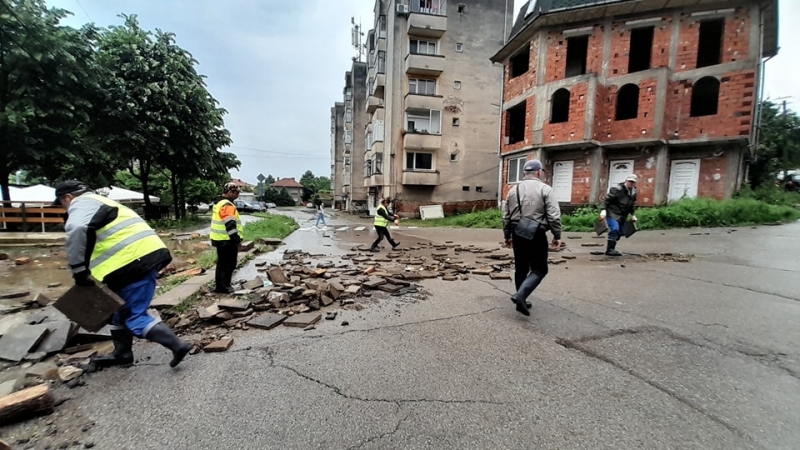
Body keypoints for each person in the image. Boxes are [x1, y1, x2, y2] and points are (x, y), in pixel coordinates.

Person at [54, 180, 192, 368]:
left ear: (68, 197)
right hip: (134, 261)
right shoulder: (100, 202)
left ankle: (177, 345)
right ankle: (122, 353)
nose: (64, 208)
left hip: (131, 264)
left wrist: (78, 270)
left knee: (134, 316)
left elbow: (78, 229)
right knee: (118, 312)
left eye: (62, 203)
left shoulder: (81, 203)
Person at [502, 160, 562, 316]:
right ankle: (521, 295)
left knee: (521, 267)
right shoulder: (545, 189)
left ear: (524, 173)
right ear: (539, 172)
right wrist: (557, 235)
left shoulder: (513, 190)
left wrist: (507, 235)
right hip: (536, 232)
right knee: (539, 269)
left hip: (517, 231)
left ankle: (521, 298)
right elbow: (554, 216)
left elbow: (506, 216)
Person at [210, 182, 244, 294]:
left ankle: (219, 285)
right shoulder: (227, 205)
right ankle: (225, 286)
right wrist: (236, 240)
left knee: (221, 263)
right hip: (227, 240)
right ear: (230, 192)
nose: (238, 195)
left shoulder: (219, 202)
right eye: (236, 193)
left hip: (219, 238)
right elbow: (230, 225)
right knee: (229, 263)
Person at [600, 174, 638, 257]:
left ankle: (612, 242)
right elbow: (606, 200)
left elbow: (631, 204)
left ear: (635, 183)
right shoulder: (617, 189)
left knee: (621, 232)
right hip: (612, 213)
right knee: (614, 229)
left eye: (633, 182)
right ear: (626, 181)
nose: (630, 183)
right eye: (629, 181)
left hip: (623, 215)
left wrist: (633, 214)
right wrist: (603, 210)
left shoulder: (634, 192)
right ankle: (610, 250)